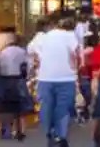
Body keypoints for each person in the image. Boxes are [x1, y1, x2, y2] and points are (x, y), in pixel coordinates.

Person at [29, 16, 80, 147]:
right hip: (67, 78)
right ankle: (60, 136)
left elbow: (30, 51)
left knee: (46, 107)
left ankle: (50, 132)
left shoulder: (41, 37)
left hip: (45, 78)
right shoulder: (70, 36)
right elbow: (76, 55)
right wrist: (75, 71)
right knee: (63, 108)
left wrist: (39, 61)